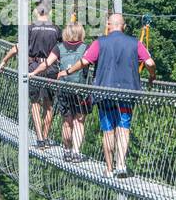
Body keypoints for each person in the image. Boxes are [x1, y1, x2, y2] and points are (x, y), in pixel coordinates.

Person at [58, 12, 156, 178]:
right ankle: (121, 166)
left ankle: (109, 169)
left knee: (108, 130)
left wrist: (66, 71)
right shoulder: (135, 43)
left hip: (104, 93)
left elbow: (84, 62)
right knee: (123, 128)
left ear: (108, 26)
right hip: (127, 93)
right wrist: (152, 76)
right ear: (124, 27)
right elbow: (149, 63)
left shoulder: (99, 43)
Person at [0, 0, 60, 148]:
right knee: (49, 104)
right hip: (51, 68)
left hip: (34, 67)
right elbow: (62, 49)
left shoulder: (30, 28)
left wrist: (4, 61)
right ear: (49, 11)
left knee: (35, 104)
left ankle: (39, 139)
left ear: (36, 11)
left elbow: (17, 48)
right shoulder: (56, 29)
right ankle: (45, 137)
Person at [40, 22, 90, 161]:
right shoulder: (86, 47)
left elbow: (47, 63)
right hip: (81, 90)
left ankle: (67, 150)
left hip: (64, 88)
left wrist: (33, 73)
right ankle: (76, 152)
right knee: (79, 121)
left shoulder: (59, 47)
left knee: (67, 121)